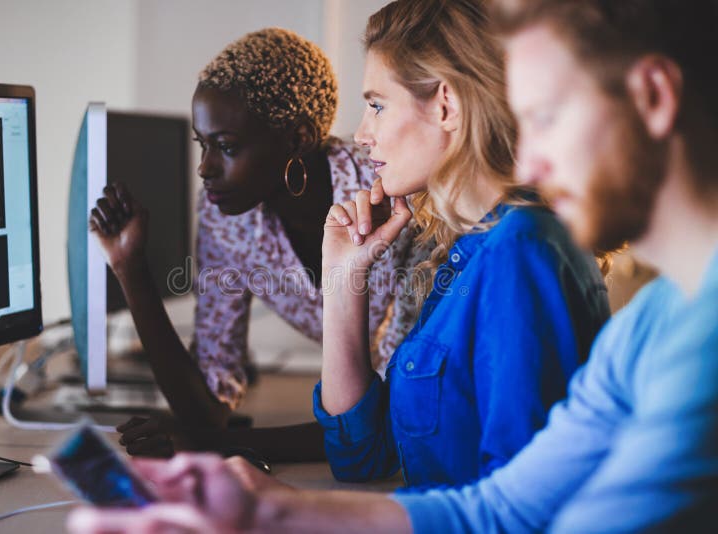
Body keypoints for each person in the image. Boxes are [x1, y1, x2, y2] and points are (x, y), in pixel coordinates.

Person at [68, 0, 718, 532]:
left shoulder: (518, 248)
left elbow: (509, 518)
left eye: (545, 115)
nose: (533, 157)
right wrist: (267, 510)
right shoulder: (488, 259)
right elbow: (425, 479)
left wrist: (269, 501)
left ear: (447, 106)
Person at [90, 28, 427, 460]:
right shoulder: (226, 217)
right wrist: (130, 268)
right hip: (360, 426)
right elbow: (208, 401)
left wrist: (213, 446)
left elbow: (397, 417)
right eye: (202, 144)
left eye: (226, 147)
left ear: (298, 139)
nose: (205, 168)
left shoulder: (390, 194)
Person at [314, 0, 608, 487]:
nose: (361, 135)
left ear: (446, 105)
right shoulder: (473, 248)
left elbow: (519, 502)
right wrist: (343, 280)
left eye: (377, 105)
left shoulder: (518, 251)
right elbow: (361, 460)